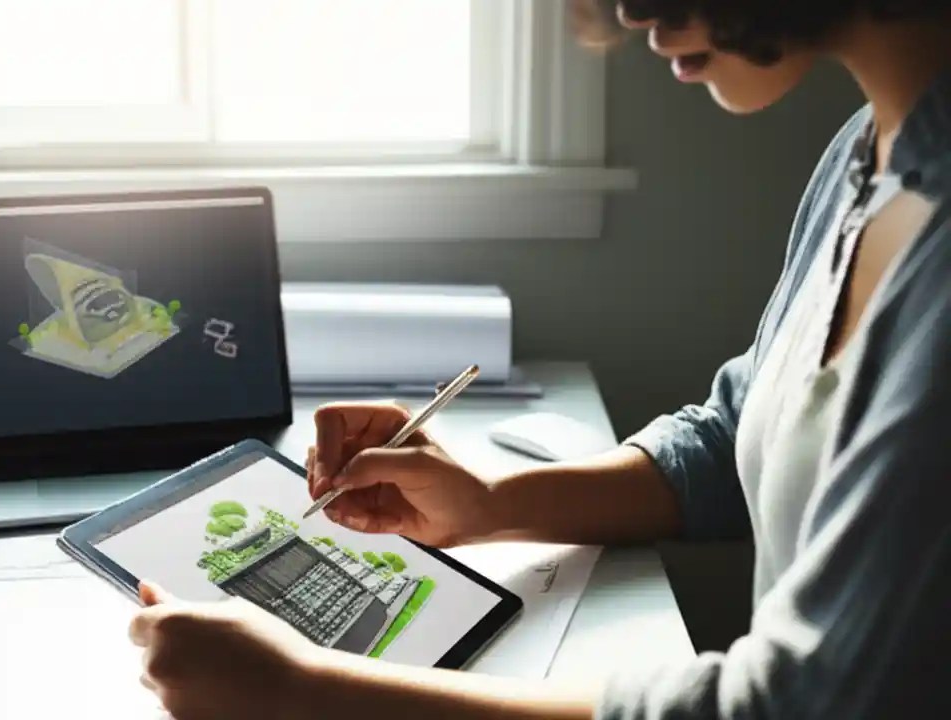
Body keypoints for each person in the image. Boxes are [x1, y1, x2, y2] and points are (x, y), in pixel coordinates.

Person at [128, 1, 951, 717]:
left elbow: (798, 707)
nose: (632, 14)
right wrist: (487, 504)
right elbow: (735, 442)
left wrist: (305, 695)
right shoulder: (865, 152)